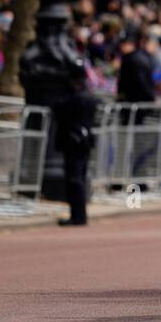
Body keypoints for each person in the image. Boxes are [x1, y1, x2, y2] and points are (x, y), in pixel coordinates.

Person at [55, 64, 99, 226]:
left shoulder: (73, 98)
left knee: (74, 179)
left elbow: (59, 110)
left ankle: (78, 216)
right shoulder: (89, 96)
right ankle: (79, 215)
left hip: (74, 141)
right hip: (85, 141)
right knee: (79, 177)